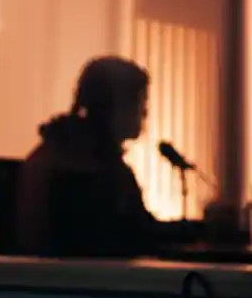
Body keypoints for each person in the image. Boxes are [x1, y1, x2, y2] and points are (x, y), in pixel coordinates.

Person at [17, 57, 165, 257]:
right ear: (114, 105)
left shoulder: (67, 151)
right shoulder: (84, 166)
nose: (145, 113)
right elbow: (132, 236)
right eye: (140, 102)